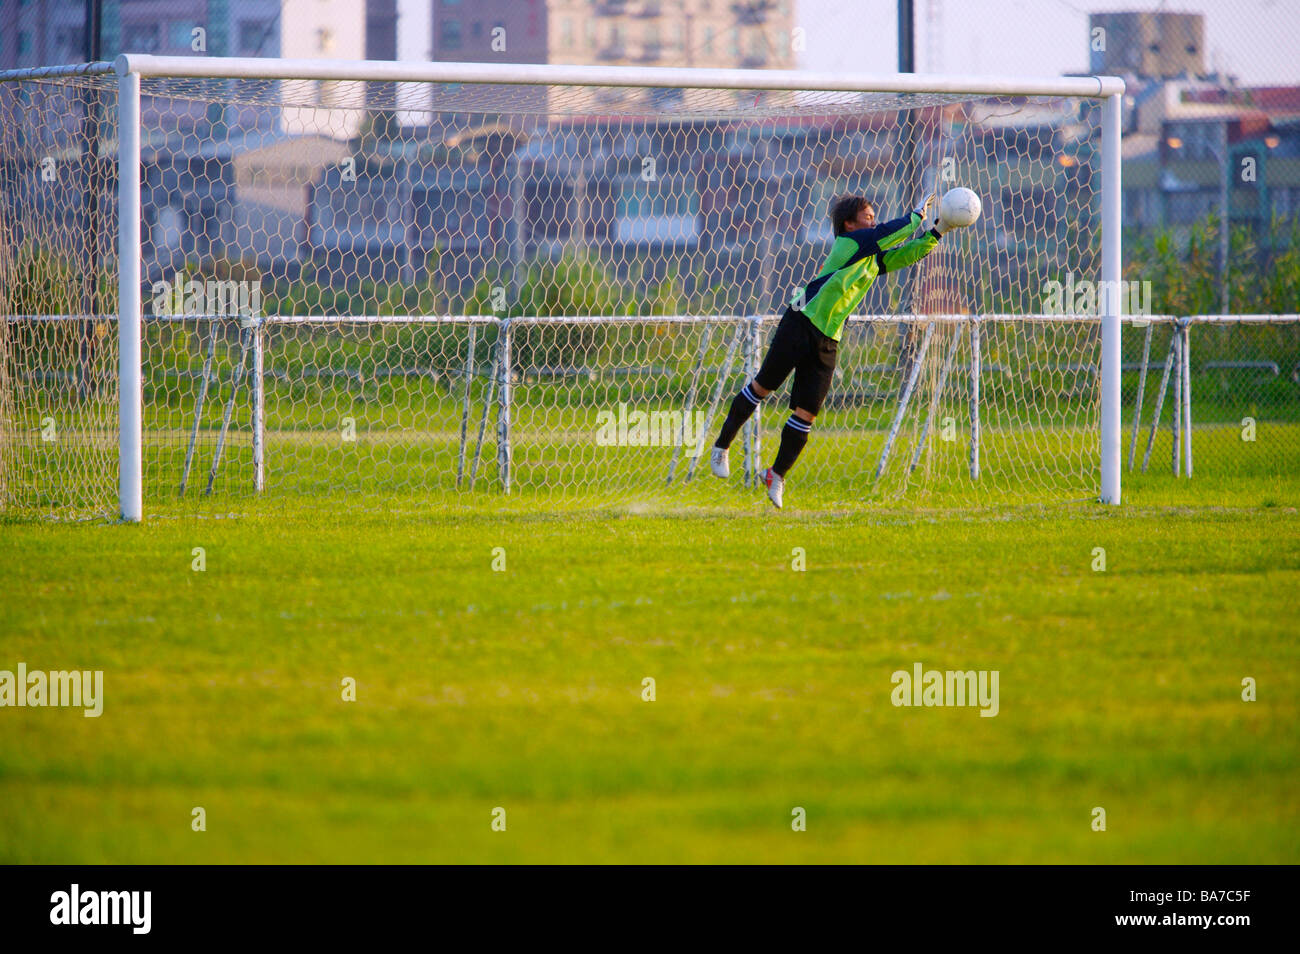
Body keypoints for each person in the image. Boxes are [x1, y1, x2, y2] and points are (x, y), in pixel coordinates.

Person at [710, 189, 950, 508]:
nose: (874, 221)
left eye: (874, 218)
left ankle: (775, 475)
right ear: (850, 225)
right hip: (801, 319)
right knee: (763, 386)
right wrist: (917, 215)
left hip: (829, 337)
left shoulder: (870, 259)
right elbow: (886, 234)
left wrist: (938, 231)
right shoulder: (849, 244)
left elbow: (905, 254)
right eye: (868, 216)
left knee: (807, 412)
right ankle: (721, 446)